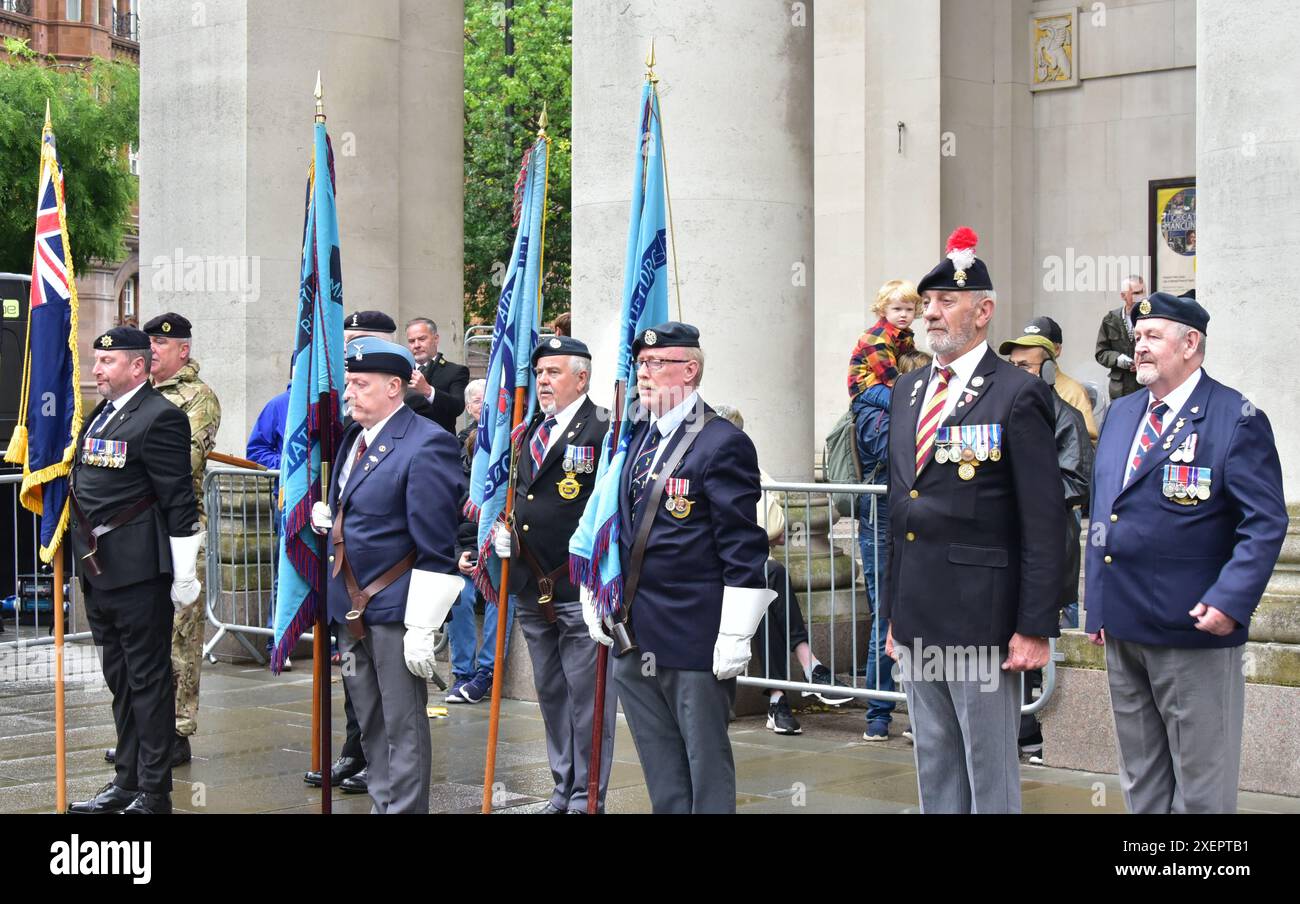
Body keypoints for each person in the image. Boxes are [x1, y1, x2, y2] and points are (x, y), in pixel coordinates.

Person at [881, 227, 1064, 813]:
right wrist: (892, 614)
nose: (930, 313)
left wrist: (1035, 625)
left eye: (946, 302)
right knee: (933, 759)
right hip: (918, 613)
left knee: (988, 768)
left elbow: (1043, 517)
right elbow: (900, 508)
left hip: (982, 616)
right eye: (928, 302)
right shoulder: (908, 389)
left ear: (983, 311)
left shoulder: (1016, 393)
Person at [1086, 292, 1286, 813]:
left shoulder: (1234, 418)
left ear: (1191, 344)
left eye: (1153, 337)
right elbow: (1106, 511)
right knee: (1142, 781)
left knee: (1201, 787)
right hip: (1123, 627)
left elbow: (1264, 522)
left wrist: (1229, 601)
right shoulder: (1123, 412)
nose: (1141, 348)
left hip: (1192, 630)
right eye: (1138, 338)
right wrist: (1097, 604)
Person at [584, 322, 774, 814]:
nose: (644, 375)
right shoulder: (640, 438)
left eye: (656, 364)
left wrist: (735, 634)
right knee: (660, 763)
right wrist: (600, 594)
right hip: (634, 630)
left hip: (694, 634)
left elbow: (742, 546)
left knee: (705, 762)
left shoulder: (719, 441)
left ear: (690, 370)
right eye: (641, 365)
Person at [309, 337, 463, 813]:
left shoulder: (427, 443)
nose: (350, 393)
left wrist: (424, 625)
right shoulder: (357, 440)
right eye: (349, 382)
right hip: (351, 608)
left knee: (402, 724)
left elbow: (437, 545)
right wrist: (330, 516)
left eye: (360, 383)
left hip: (396, 609)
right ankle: (384, 803)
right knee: (370, 722)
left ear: (395, 387)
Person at [67, 327, 202, 815]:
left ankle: (154, 790)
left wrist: (185, 574)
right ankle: (125, 781)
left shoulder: (160, 417)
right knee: (120, 680)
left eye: (107, 362)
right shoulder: (100, 415)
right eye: (97, 361)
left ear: (138, 367)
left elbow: (178, 498)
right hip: (99, 570)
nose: (97, 370)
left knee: (148, 681)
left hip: (140, 573)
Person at [493, 336, 616, 812]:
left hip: (577, 587)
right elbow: (518, 498)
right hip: (530, 585)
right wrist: (500, 537)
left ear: (581, 377)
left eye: (554, 373)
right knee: (550, 694)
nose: (543, 381)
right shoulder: (527, 432)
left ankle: (589, 795)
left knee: (588, 702)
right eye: (540, 373)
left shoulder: (605, 428)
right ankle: (562, 786)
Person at [104, 313, 220, 769]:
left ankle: (176, 732)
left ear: (182, 350)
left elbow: (176, 463)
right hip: (137, 534)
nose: (151, 350)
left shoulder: (198, 397)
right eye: (147, 343)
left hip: (179, 530)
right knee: (142, 642)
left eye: (160, 344)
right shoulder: (140, 396)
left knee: (180, 638)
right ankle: (141, 734)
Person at [712, 405, 853, 737]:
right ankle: (806, 669)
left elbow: (777, 526)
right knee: (769, 575)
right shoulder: (703, 468)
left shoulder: (746, 468)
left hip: (741, 574)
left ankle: (782, 694)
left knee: (766, 587)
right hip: (707, 576)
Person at [999, 331, 1093, 762]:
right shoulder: (1002, 411)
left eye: (1025, 365)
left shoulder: (1066, 417)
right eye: (1012, 365)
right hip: (1003, 548)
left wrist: (1020, 490)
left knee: (1037, 639)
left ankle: (1031, 731)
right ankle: (1013, 726)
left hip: (1046, 547)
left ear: (1049, 370)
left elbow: (1075, 482)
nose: (1015, 373)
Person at [850, 346, 931, 742]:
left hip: (917, 513)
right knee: (886, 611)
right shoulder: (871, 405)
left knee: (924, 610)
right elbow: (893, 452)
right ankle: (878, 711)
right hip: (881, 515)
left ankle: (920, 713)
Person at [445, 381, 515, 707]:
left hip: (501, 549)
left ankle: (486, 672)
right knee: (458, 592)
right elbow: (449, 515)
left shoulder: (510, 446)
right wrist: (458, 556)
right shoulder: (454, 451)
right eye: (477, 401)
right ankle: (462, 673)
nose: (482, 406)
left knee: (502, 597)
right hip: (467, 548)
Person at [1015, 316, 1098, 443]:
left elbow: (1088, 443)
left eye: (1038, 345)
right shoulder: (1013, 388)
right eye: (1026, 345)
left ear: (1057, 349)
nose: (1029, 351)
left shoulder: (1074, 392)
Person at [406, 317, 470, 436]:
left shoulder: (455, 371)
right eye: (411, 341)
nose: (416, 345)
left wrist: (428, 391)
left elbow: (457, 407)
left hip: (438, 443)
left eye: (422, 339)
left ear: (436, 339)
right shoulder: (402, 372)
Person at [1095, 275, 1145, 402]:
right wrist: (1117, 359)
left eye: (1142, 292)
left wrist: (1142, 361)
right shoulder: (1111, 320)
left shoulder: (1150, 317)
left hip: (1145, 385)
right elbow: (1101, 352)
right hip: (1120, 388)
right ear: (1123, 296)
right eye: (1135, 293)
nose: (1141, 297)